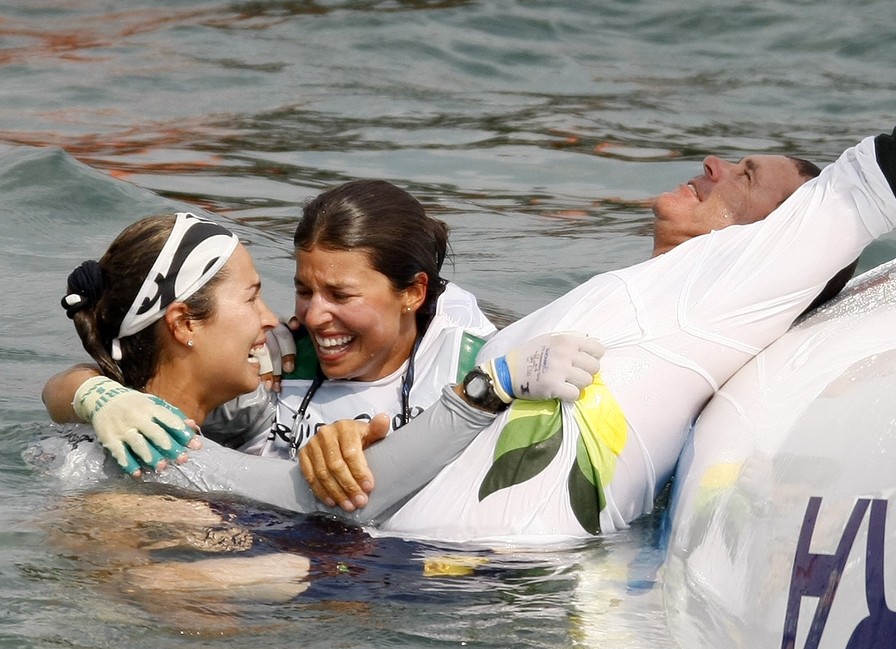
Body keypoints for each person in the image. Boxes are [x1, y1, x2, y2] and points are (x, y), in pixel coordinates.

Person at [296, 0, 896, 545]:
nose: (714, 163)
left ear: (777, 238)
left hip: (459, 596)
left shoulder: (735, 280)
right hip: (388, 557)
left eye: (746, 177)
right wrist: (348, 442)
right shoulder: (617, 305)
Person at [45, 210, 599, 522]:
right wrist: (486, 390)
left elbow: (67, 388)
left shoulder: (122, 420)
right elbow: (332, 501)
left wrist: (85, 391)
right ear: (185, 323)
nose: (276, 319)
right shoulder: (155, 452)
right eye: (253, 297)